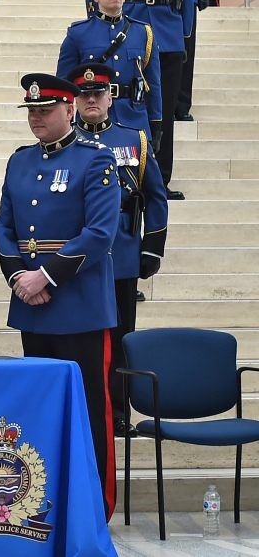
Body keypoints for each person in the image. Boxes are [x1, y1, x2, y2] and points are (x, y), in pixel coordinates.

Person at [0, 73, 120, 520]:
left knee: (91, 411)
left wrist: (44, 276)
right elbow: (3, 225)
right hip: (32, 305)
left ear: (69, 110)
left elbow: (100, 233)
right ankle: (46, 499)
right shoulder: (20, 161)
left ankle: (95, 507)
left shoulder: (96, 160)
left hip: (78, 305)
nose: (36, 118)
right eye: (31, 111)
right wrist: (17, 278)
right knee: (41, 410)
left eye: (45, 110)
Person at [68, 64, 167, 437]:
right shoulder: (66, 141)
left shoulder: (134, 140)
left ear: (111, 97)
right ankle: (85, 409)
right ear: (75, 101)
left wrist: (152, 248)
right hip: (76, 256)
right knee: (82, 338)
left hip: (121, 252)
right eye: (84, 95)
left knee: (121, 339)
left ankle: (119, 411)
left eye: (99, 93)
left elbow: (155, 197)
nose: (92, 100)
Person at [89, 0, 193, 201]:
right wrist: (101, 31)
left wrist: (184, 37)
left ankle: (159, 181)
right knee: (127, 106)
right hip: (129, 34)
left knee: (163, 113)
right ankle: (124, 176)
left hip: (167, 35)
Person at [57, 0, 161, 141]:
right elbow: (63, 86)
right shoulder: (78, 34)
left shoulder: (143, 33)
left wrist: (156, 123)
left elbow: (153, 83)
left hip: (134, 117)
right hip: (92, 120)